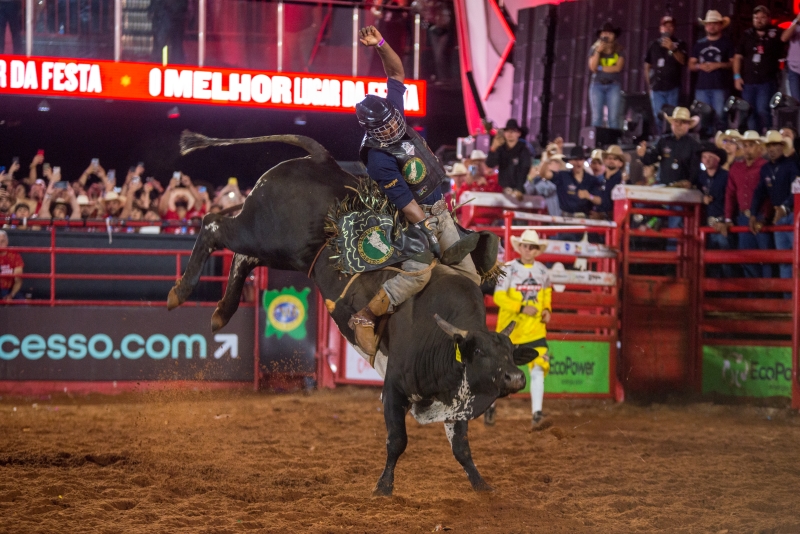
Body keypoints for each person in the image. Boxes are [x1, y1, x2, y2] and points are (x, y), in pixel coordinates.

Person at [350, 25, 480, 357]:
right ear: (373, 131)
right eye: (388, 126)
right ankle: (367, 315)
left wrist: (380, 42)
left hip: (438, 210)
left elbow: (395, 71)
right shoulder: (378, 159)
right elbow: (406, 203)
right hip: (415, 219)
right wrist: (428, 230)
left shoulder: (392, 112)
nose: (396, 126)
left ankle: (458, 334)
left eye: (395, 121)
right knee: (419, 273)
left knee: (470, 277)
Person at [490, 229, 552, 428]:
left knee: (538, 369)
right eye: (526, 246)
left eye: (532, 247)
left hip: (534, 330)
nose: (528, 249)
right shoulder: (507, 269)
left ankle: (537, 414)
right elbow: (499, 297)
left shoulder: (543, 272)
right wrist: (522, 307)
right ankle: (490, 406)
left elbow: (547, 297)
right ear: (520, 248)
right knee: (497, 370)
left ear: (536, 250)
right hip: (510, 331)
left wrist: (547, 310)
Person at [749, 130, 798, 284]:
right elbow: (759, 193)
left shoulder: (792, 165)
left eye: (775, 145)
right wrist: (752, 214)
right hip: (779, 216)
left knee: (795, 257)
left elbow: (797, 189)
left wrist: (784, 207)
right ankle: (787, 299)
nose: (771, 149)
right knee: (784, 259)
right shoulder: (765, 169)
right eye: (769, 145)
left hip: (793, 215)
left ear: (781, 147)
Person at [721, 130, 770, 278]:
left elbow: (769, 195)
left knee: (766, 258)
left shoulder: (765, 166)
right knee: (746, 258)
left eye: (751, 145)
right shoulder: (736, 168)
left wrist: (764, 216)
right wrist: (728, 218)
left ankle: (766, 294)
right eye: (745, 145)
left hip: (761, 216)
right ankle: (755, 293)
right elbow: (730, 194)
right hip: (744, 216)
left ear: (759, 148)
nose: (747, 148)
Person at [733, 6, 785, 133]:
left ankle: (768, 133)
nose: (759, 20)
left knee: (763, 109)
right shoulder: (747, 35)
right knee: (749, 110)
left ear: (768, 18)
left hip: (767, 80)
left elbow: (785, 40)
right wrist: (736, 76)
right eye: (756, 18)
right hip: (748, 80)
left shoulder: (775, 33)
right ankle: (753, 137)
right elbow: (738, 57)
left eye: (762, 17)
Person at [689, 11, 734, 133]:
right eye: (709, 24)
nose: (711, 26)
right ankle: (706, 143)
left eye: (714, 24)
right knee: (703, 118)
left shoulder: (726, 43)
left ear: (720, 25)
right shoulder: (699, 44)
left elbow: (733, 63)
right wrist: (700, 66)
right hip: (702, 87)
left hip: (720, 86)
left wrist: (718, 65)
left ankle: (720, 143)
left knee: (720, 117)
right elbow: (691, 64)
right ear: (705, 26)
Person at [637, 107, 701, 187]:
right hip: (663, 185)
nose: (678, 125)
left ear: (688, 125)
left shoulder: (694, 145)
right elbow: (650, 160)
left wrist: (690, 182)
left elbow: (695, 169)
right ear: (672, 124)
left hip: (684, 190)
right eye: (676, 121)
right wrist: (642, 154)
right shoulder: (663, 141)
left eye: (682, 122)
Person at [644, 16, 687, 134]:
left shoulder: (680, 43)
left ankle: (673, 139)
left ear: (674, 28)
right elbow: (647, 66)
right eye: (665, 26)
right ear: (660, 28)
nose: (667, 28)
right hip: (656, 88)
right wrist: (649, 85)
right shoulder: (653, 45)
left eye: (670, 26)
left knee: (673, 116)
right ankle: (661, 140)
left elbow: (683, 61)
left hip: (673, 87)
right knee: (658, 116)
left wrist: (672, 48)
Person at [697, 142, 732, 278]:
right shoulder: (700, 177)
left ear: (718, 159)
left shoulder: (726, 176)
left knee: (725, 261)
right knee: (711, 261)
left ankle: (729, 293)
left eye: (710, 157)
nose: (707, 160)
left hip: (721, 222)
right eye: (704, 157)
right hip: (707, 224)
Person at [540, 145, 600, 218]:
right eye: (575, 159)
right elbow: (544, 174)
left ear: (584, 160)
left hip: (584, 219)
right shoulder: (563, 176)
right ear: (570, 161)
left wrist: (589, 196)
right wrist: (547, 158)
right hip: (566, 219)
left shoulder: (591, 179)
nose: (578, 163)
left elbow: (600, 200)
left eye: (580, 159)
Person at [588, 22, 625, 129]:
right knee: (596, 117)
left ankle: (613, 144)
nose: (606, 35)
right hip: (597, 85)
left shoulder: (620, 50)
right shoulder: (594, 49)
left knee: (613, 118)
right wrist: (598, 52)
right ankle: (596, 143)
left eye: (609, 33)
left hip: (613, 85)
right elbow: (592, 67)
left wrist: (600, 68)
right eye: (604, 33)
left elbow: (617, 68)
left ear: (614, 36)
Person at [486, 119, 533, 199]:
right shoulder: (500, 149)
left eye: (513, 131)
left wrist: (518, 189)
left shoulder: (523, 150)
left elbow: (524, 169)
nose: (510, 133)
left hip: (518, 192)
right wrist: (493, 148)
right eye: (507, 131)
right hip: (502, 191)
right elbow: (490, 163)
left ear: (518, 133)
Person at [592, 145, 627, 220]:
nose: (611, 161)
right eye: (609, 158)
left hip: (612, 223)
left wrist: (604, 215)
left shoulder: (623, 181)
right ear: (604, 161)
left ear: (620, 163)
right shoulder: (598, 179)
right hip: (596, 222)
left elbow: (622, 206)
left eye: (615, 159)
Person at [781, 11, 800, 99]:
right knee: (796, 101)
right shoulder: (795, 24)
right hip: (795, 69)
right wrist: (796, 22)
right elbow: (784, 38)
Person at [0, 230, 24, 301]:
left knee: (24, 307)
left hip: (11, 289)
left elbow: (18, 280)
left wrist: (11, 295)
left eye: (2, 241)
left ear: (7, 242)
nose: (0, 244)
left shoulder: (14, 255)